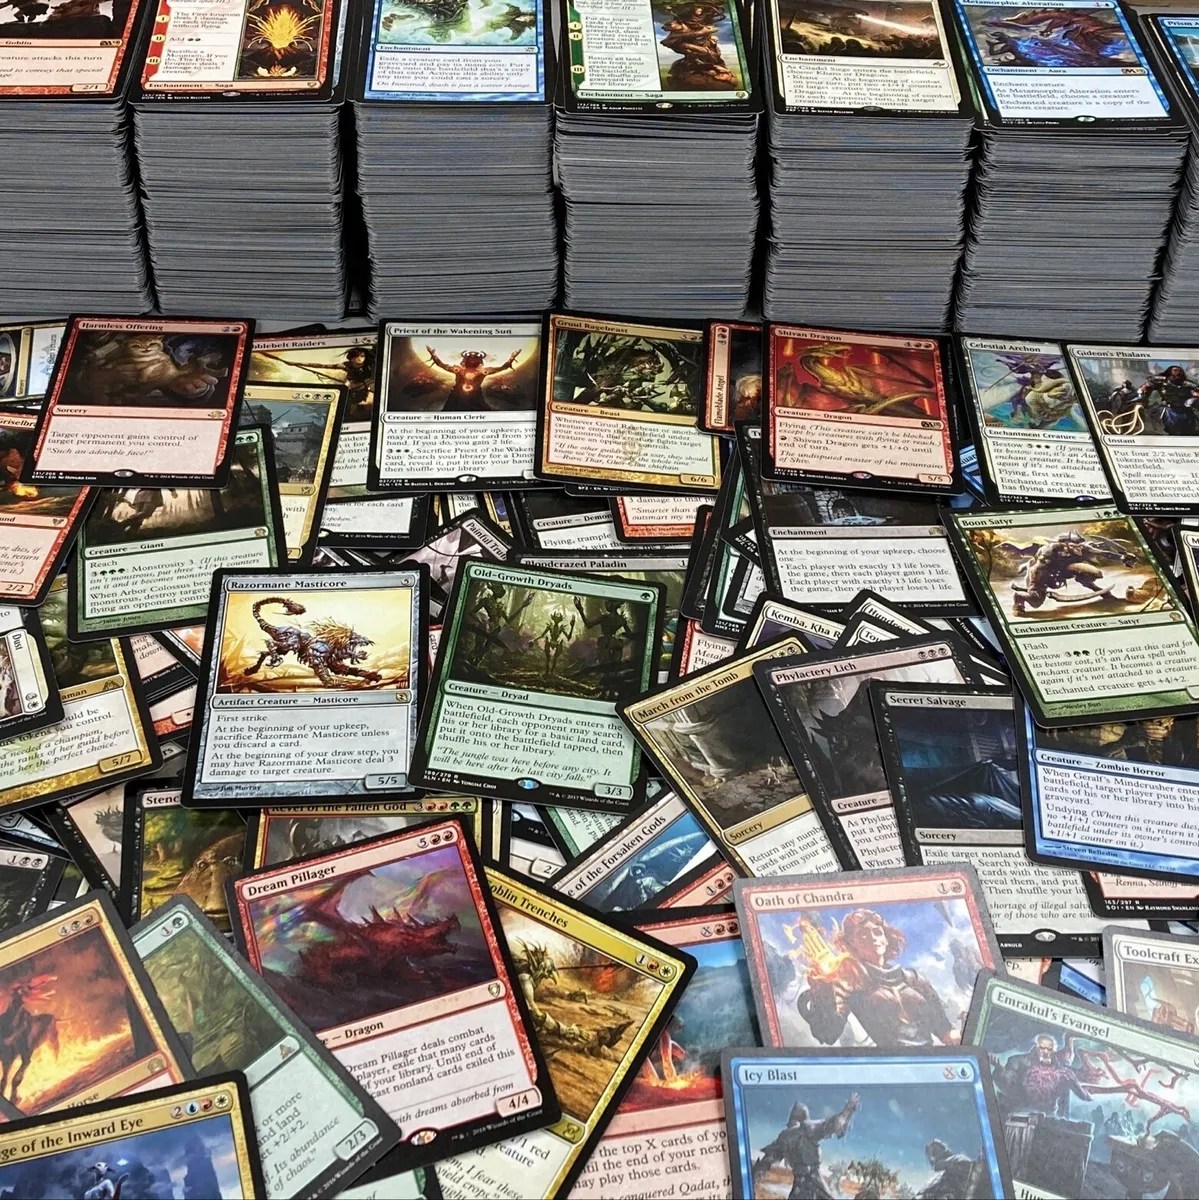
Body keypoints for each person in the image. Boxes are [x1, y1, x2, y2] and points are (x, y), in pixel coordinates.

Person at [794, 909, 958, 1047]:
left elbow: (945, 1032)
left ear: (886, 939)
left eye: (877, 932)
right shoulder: (850, 983)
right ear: (851, 942)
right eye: (862, 934)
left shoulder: (914, 979)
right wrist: (823, 992)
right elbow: (827, 1034)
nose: (873, 937)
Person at [752, 1094, 859, 1200]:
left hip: (799, 1184)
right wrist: (847, 1111)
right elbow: (830, 1125)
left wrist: (753, 1176)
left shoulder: (783, 1138)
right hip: (814, 1183)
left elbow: (767, 1161)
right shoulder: (807, 1129)